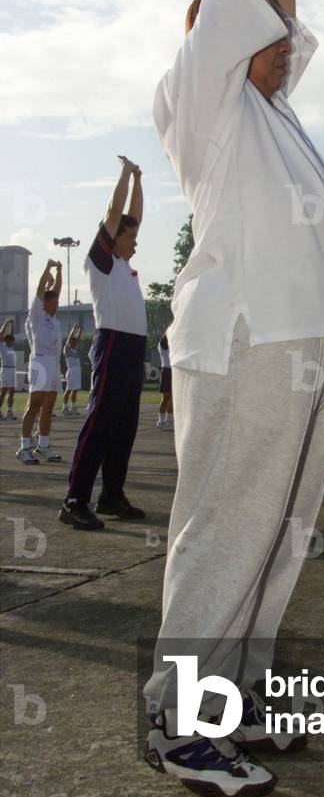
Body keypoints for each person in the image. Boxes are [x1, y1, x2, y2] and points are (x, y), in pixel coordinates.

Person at [143, 0, 324, 797]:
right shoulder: (202, 96)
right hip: (249, 342)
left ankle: (235, 698)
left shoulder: (274, 113)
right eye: (254, 26)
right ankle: (182, 721)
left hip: (306, 348)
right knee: (230, 529)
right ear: (217, 41)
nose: (278, 35)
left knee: (280, 532)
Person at [59, 157, 147, 530]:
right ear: (113, 240)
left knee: (124, 427)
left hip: (133, 348)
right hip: (113, 344)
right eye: (130, 238)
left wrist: (140, 180)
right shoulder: (102, 262)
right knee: (100, 422)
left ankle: (111, 494)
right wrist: (125, 175)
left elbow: (133, 217)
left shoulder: (124, 266)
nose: (135, 243)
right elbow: (115, 214)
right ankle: (74, 499)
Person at [16, 260, 63, 464]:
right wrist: (48, 268)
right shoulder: (36, 314)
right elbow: (40, 288)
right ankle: (24, 447)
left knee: (49, 406)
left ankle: (43, 445)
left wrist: (59, 271)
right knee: (35, 404)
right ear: (44, 303)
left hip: (53, 364)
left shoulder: (53, 320)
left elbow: (56, 290)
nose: (57, 303)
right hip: (40, 363)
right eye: (53, 301)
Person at [62, 326, 82, 415]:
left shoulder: (75, 350)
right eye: (73, 341)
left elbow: (79, 338)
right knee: (69, 389)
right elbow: (69, 338)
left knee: (75, 390)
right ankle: (64, 407)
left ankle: (73, 407)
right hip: (71, 371)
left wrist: (80, 330)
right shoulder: (67, 350)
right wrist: (73, 329)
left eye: (75, 342)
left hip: (77, 372)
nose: (75, 343)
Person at [0, 320, 18, 420]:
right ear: (5, 341)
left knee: (12, 392)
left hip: (12, 371)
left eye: (11, 340)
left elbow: (12, 334)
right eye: (9, 340)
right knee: (3, 393)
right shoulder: (2, 347)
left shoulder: (11, 348)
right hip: (5, 370)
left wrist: (12, 324)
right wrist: (6, 323)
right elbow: (1, 334)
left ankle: (9, 412)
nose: (11, 342)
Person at [156, 332, 173, 430]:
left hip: (168, 370)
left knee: (168, 398)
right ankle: (164, 422)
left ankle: (164, 421)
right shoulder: (164, 344)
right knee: (168, 398)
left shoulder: (165, 344)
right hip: (168, 370)